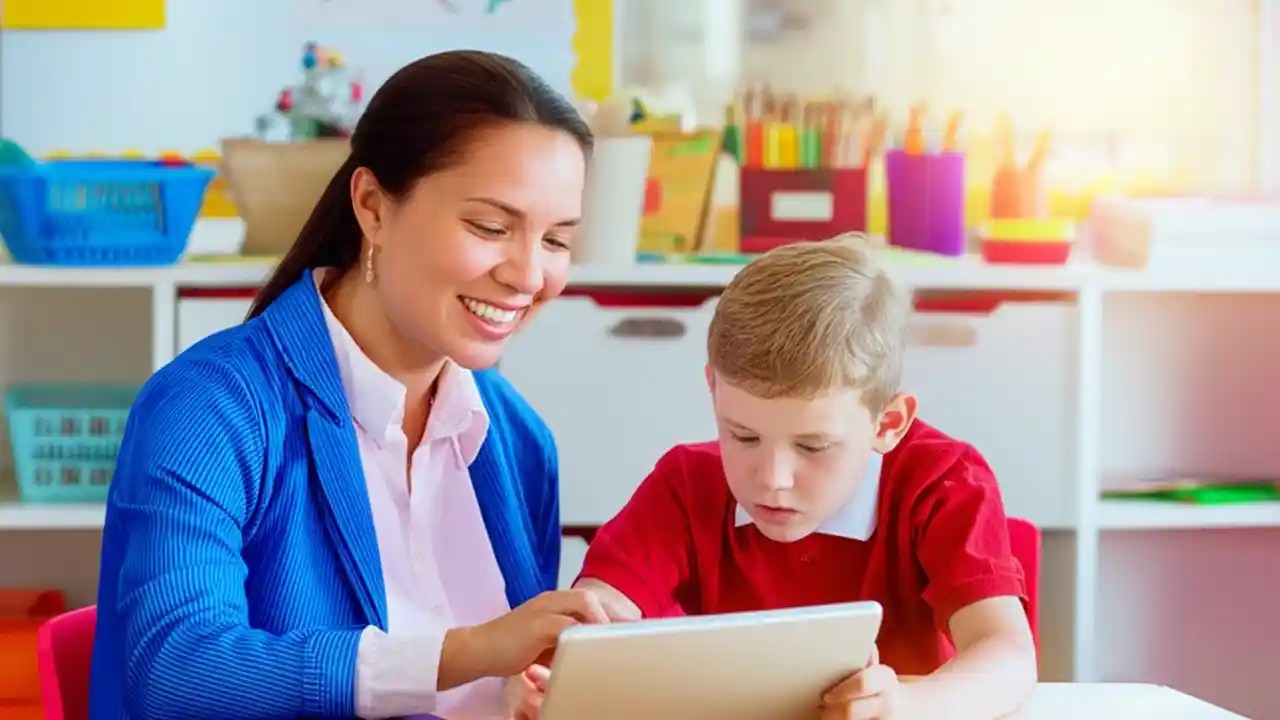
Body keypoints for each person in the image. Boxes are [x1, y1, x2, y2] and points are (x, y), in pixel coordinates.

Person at [89, 50, 610, 720]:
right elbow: (179, 670)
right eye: (490, 226)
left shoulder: (515, 441)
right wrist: (470, 653)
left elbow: (507, 679)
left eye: (557, 241)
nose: (528, 275)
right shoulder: (210, 411)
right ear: (372, 207)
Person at [541, 237, 1039, 719]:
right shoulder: (686, 484)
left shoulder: (943, 481)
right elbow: (599, 615)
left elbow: (1009, 657)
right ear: (713, 388)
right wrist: (575, 649)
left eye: (812, 446)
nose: (773, 480)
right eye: (744, 436)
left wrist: (911, 706)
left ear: (887, 424)